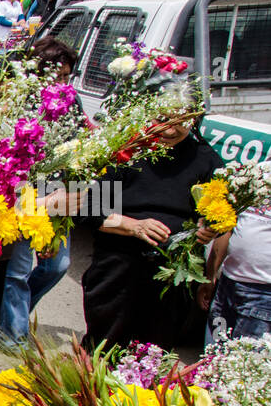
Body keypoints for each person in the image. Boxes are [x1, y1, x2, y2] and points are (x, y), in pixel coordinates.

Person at [79, 110, 222, 351]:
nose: (170, 130)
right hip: (117, 270)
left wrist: (208, 229)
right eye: (162, 120)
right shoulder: (124, 150)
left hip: (172, 277)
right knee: (102, 350)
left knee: (152, 356)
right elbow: (89, 210)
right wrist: (133, 226)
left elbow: (218, 214)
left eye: (182, 122)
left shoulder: (206, 160)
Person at [0, 37, 80, 343]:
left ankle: (11, 313)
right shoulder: (23, 103)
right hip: (25, 196)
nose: (61, 83)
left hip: (58, 195)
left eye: (67, 77)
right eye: (56, 76)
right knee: (18, 271)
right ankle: (13, 337)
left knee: (58, 265)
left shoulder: (72, 102)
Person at [204, 208, 271, 341]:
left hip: (263, 295)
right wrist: (209, 278)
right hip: (226, 284)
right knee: (214, 351)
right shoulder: (248, 189)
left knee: (246, 357)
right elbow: (226, 229)